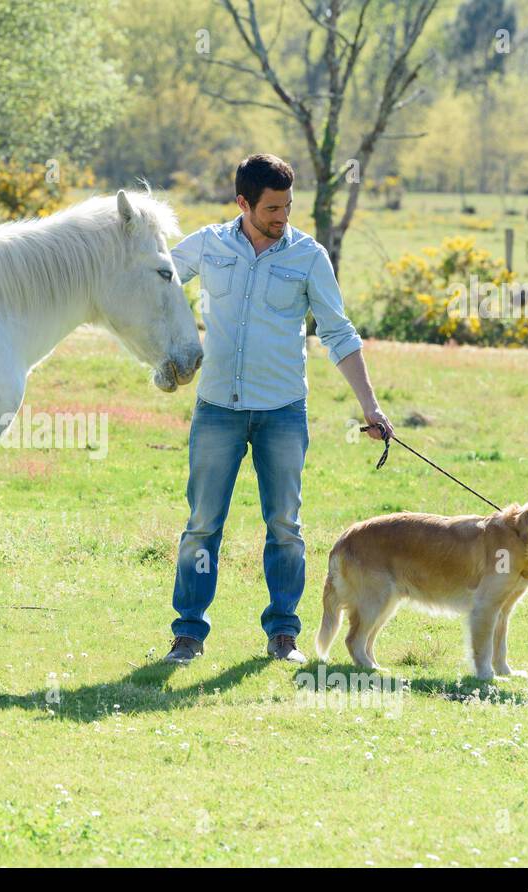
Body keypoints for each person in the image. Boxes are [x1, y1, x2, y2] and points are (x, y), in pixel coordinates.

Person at [163, 153, 394, 665]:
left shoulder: (308, 256)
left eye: (287, 206)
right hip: (217, 408)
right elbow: (154, 281)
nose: (281, 216)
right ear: (242, 203)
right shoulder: (207, 245)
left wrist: (371, 407)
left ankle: (283, 634)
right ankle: (188, 634)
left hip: (283, 411)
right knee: (202, 524)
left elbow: (338, 332)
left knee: (285, 525)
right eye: (271, 208)